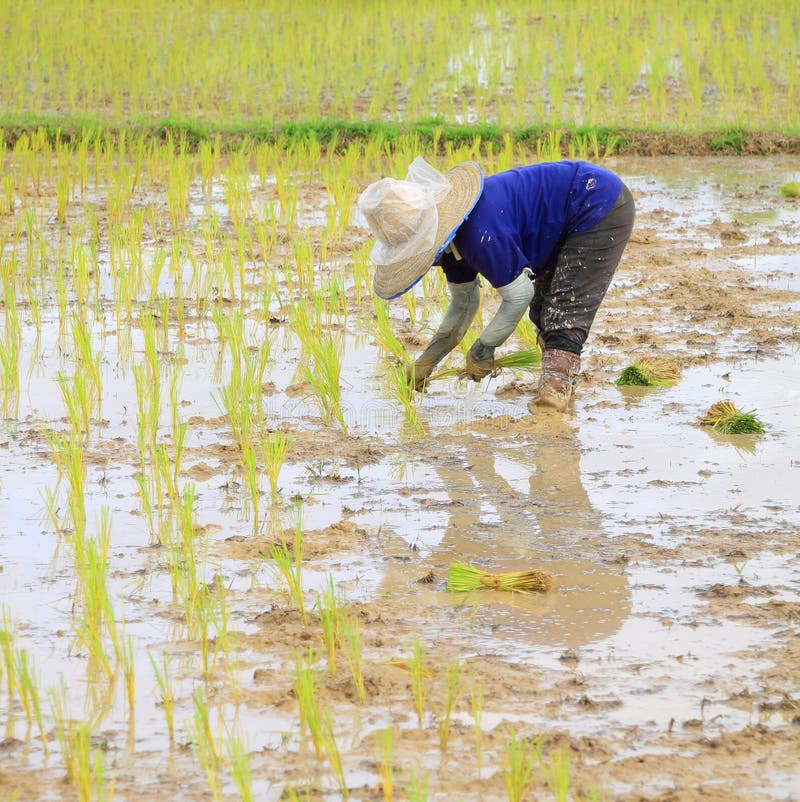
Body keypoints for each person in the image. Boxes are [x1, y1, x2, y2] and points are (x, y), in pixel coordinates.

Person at [357, 156, 635, 411]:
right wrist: (426, 363)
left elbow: (518, 295)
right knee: (541, 311)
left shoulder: (477, 232)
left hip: (596, 203)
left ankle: (553, 404)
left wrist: (483, 348)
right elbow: (463, 305)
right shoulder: (451, 247)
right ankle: (561, 386)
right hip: (563, 220)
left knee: (562, 314)